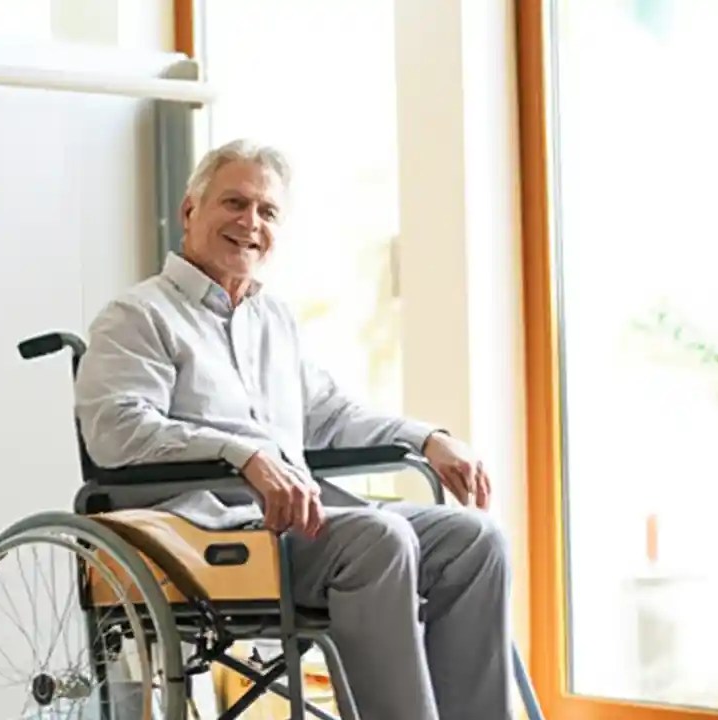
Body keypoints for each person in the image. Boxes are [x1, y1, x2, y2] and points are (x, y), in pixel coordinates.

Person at [74, 139, 511, 719]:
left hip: (298, 526)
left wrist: (428, 438)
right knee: (380, 541)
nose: (250, 222)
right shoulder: (138, 316)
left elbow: (331, 415)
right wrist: (244, 455)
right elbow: (117, 432)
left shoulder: (271, 318)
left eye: (266, 211)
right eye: (234, 202)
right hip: (206, 535)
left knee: (473, 541)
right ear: (190, 212)